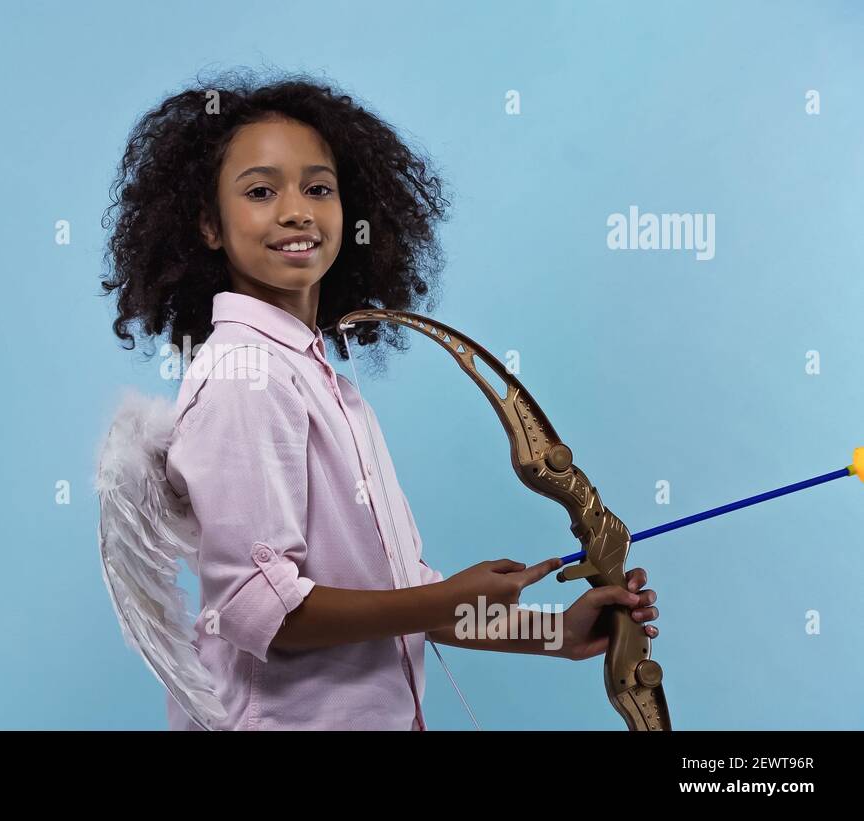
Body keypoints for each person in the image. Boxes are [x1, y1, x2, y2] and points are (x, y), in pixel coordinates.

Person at [100, 71, 659, 730]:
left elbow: (395, 589)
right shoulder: (245, 377)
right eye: (259, 191)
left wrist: (552, 632)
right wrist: (445, 600)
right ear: (209, 225)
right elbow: (258, 608)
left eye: (318, 188)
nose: (296, 210)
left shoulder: (313, 376)